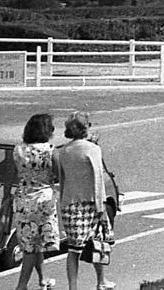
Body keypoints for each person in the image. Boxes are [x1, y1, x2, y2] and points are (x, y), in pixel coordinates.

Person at [55, 112, 116, 290]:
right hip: (91, 204)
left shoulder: (63, 151)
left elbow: (62, 179)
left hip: (70, 204)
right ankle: (101, 281)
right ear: (85, 128)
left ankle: (73, 287)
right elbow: (98, 180)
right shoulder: (93, 149)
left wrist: (64, 201)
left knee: (73, 250)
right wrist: (102, 208)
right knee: (99, 243)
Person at [12, 113, 59, 290]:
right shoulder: (50, 150)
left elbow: (12, 176)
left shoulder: (18, 150)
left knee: (31, 241)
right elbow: (59, 174)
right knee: (33, 247)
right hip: (43, 200)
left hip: (23, 200)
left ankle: (43, 278)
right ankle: (21, 285)